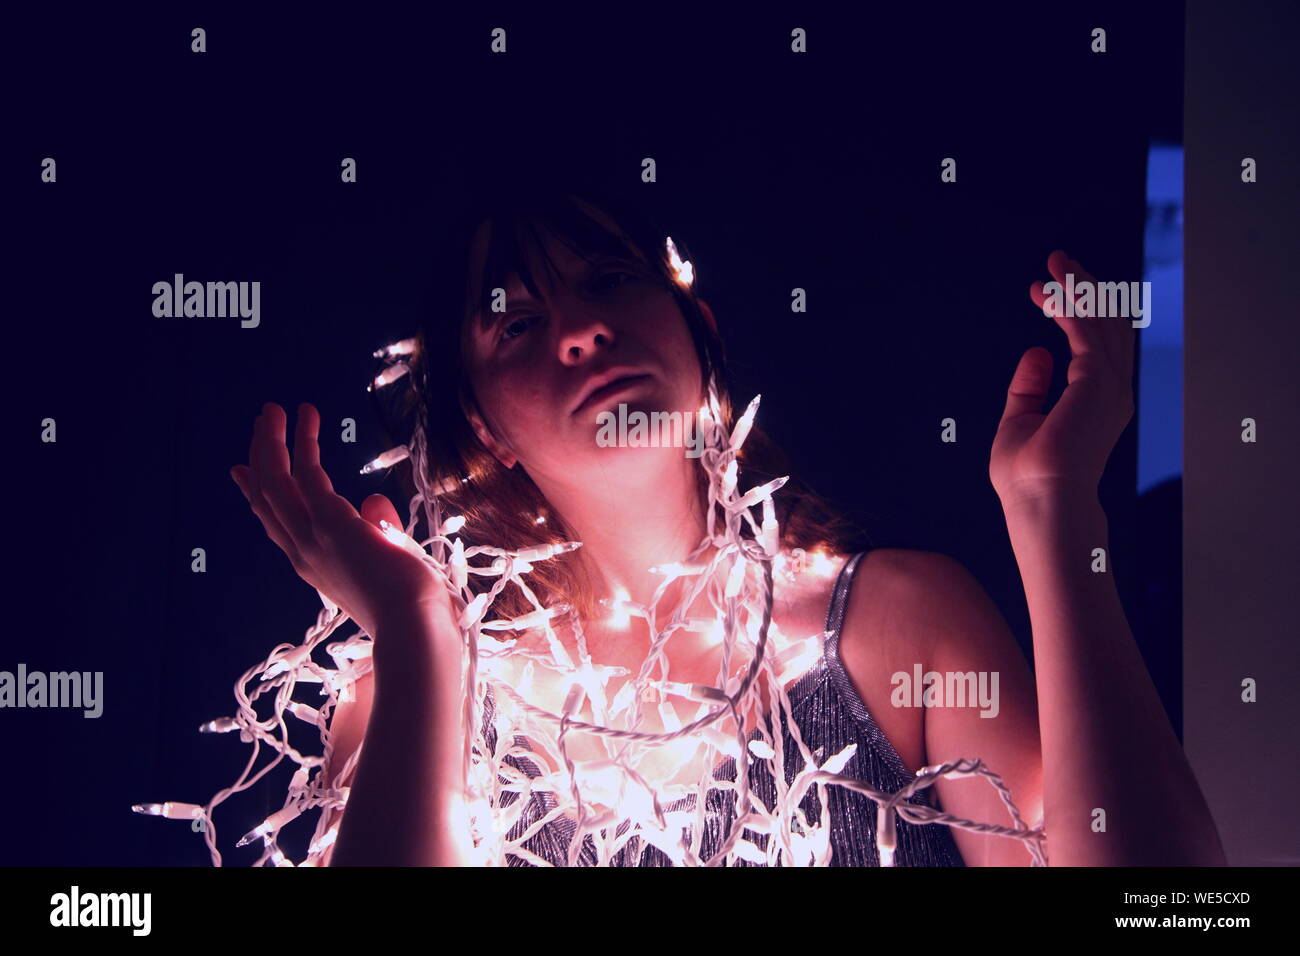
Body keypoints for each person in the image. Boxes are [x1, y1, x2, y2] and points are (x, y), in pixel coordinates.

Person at [229, 182, 1226, 867]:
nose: (583, 330)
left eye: (609, 279)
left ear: (697, 330)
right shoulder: (404, 698)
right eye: (518, 324)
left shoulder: (893, 625)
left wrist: (1056, 515)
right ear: (483, 424)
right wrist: (414, 635)